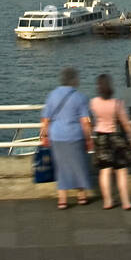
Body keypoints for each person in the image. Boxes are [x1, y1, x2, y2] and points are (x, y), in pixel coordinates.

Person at [39, 67, 93, 209]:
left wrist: (44, 135)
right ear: (74, 80)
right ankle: (81, 196)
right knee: (79, 164)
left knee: (61, 166)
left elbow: (45, 119)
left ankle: (62, 199)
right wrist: (88, 139)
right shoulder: (80, 97)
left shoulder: (52, 95)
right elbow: (85, 122)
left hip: (57, 136)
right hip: (75, 135)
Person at [90, 74, 131, 210]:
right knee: (121, 171)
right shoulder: (117, 103)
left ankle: (108, 201)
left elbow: (92, 121)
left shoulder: (93, 102)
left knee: (105, 171)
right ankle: (126, 202)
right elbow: (126, 124)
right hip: (116, 138)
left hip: (101, 138)